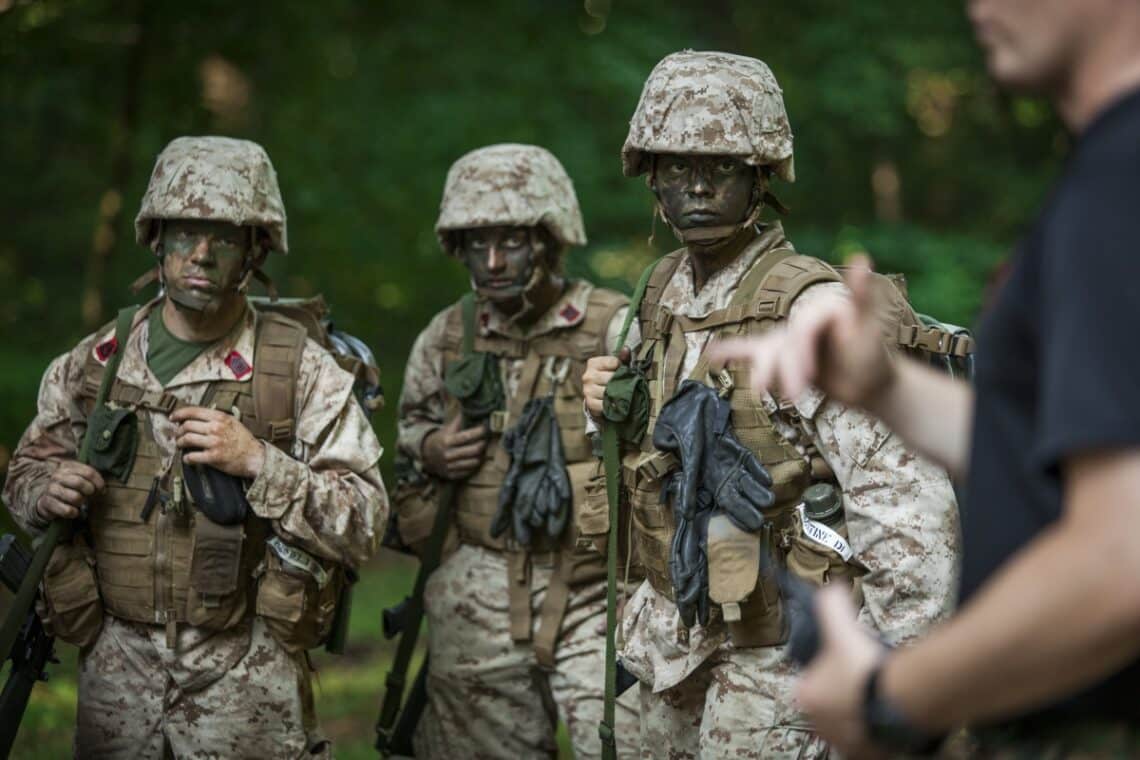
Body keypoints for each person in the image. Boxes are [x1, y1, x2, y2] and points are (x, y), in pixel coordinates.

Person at [707, 0, 1140, 755]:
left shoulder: (1119, 186)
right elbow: (1057, 466)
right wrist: (886, 388)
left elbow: (1121, 560)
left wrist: (890, 697)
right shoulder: (1103, 178)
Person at [581, 51, 962, 759]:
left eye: (721, 167)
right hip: (670, 652)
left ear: (760, 176)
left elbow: (907, 512)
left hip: (781, 665)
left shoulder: (808, 311)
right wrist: (606, 405)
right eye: (676, 166)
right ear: (651, 179)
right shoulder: (656, 300)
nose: (697, 186)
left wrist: (903, 689)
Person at [2, 136, 389, 758]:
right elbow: (23, 473)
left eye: (225, 237)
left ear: (254, 250)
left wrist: (261, 463)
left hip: (247, 680)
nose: (202, 255)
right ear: (157, 239)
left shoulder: (301, 371)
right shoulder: (94, 364)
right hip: (116, 676)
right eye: (186, 232)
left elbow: (365, 520)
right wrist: (44, 490)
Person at [392, 143, 640, 758]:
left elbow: (664, 452)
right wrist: (431, 447)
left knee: (632, 745)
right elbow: (405, 439)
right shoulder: (449, 335)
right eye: (479, 245)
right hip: (479, 595)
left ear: (549, 241)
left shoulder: (613, 326)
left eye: (512, 242)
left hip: (597, 592)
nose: (495, 261)